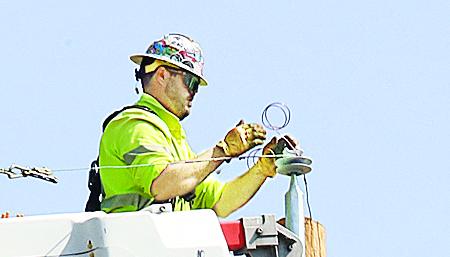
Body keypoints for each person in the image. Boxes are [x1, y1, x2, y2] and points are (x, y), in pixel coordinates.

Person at [88, 35, 296, 217]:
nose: (194, 91)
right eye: (191, 82)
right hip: (134, 250)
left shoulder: (173, 139)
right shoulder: (135, 126)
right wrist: (223, 151)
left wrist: (263, 168)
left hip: (160, 252)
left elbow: (221, 202)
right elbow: (162, 185)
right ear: (162, 75)